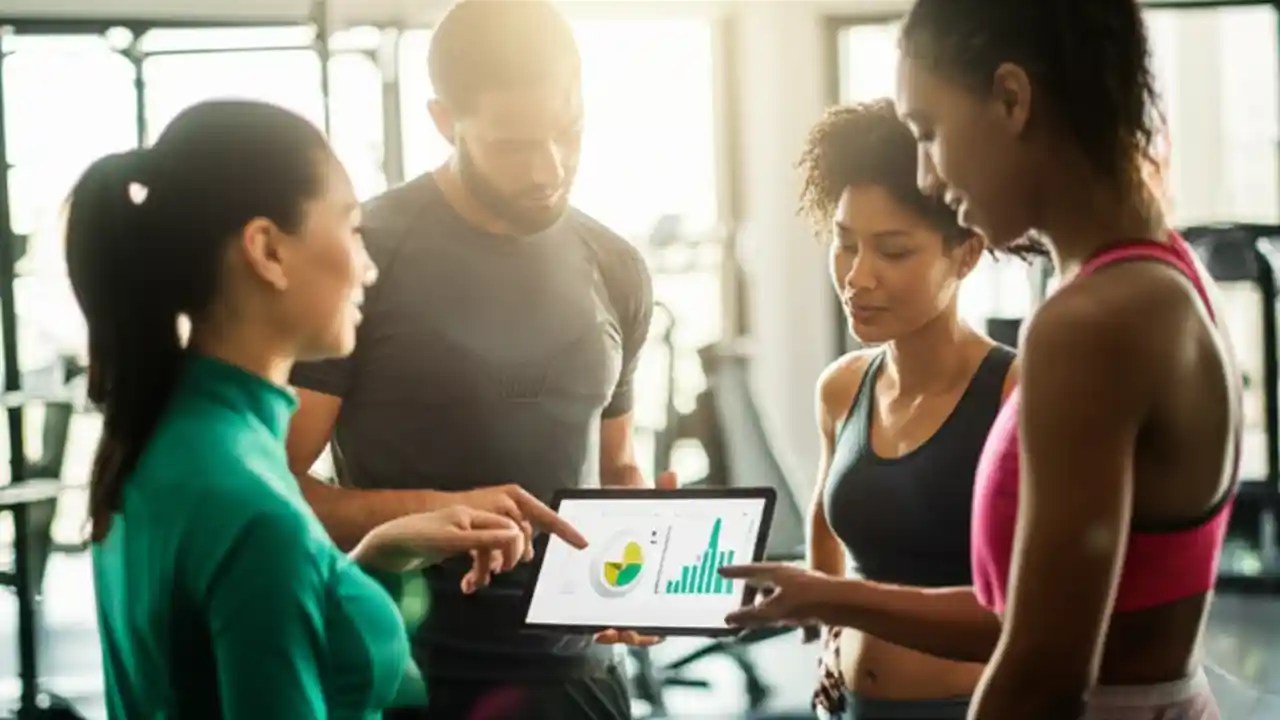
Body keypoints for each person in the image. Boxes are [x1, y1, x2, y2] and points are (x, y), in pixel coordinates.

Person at [721, 2, 1240, 719]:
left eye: (928, 133)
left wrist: (835, 597)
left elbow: (1039, 671)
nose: (928, 177)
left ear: (1011, 99)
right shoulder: (1157, 279)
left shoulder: (1092, 321)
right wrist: (832, 602)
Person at [71, 100, 553, 718]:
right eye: (351, 229)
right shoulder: (251, 506)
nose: (367, 268)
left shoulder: (161, 438)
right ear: (267, 251)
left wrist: (375, 557)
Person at [284, 2, 667, 718]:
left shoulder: (614, 264)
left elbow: (617, 468)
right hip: (415, 677)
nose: (549, 168)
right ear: (443, 120)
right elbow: (278, 491)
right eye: (514, 145)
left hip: (584, 680)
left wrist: (647, 569)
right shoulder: (362, 255)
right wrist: (437, 512)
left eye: (568, 131)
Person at [797, 100, 1016, 720]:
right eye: (844, 244)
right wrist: (831, 638)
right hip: (850, 708)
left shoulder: (1016, 395)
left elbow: (1043, 608)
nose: (857, 277)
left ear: (966, 254)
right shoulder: (842, 388)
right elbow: (826, 527)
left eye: (892, 252)